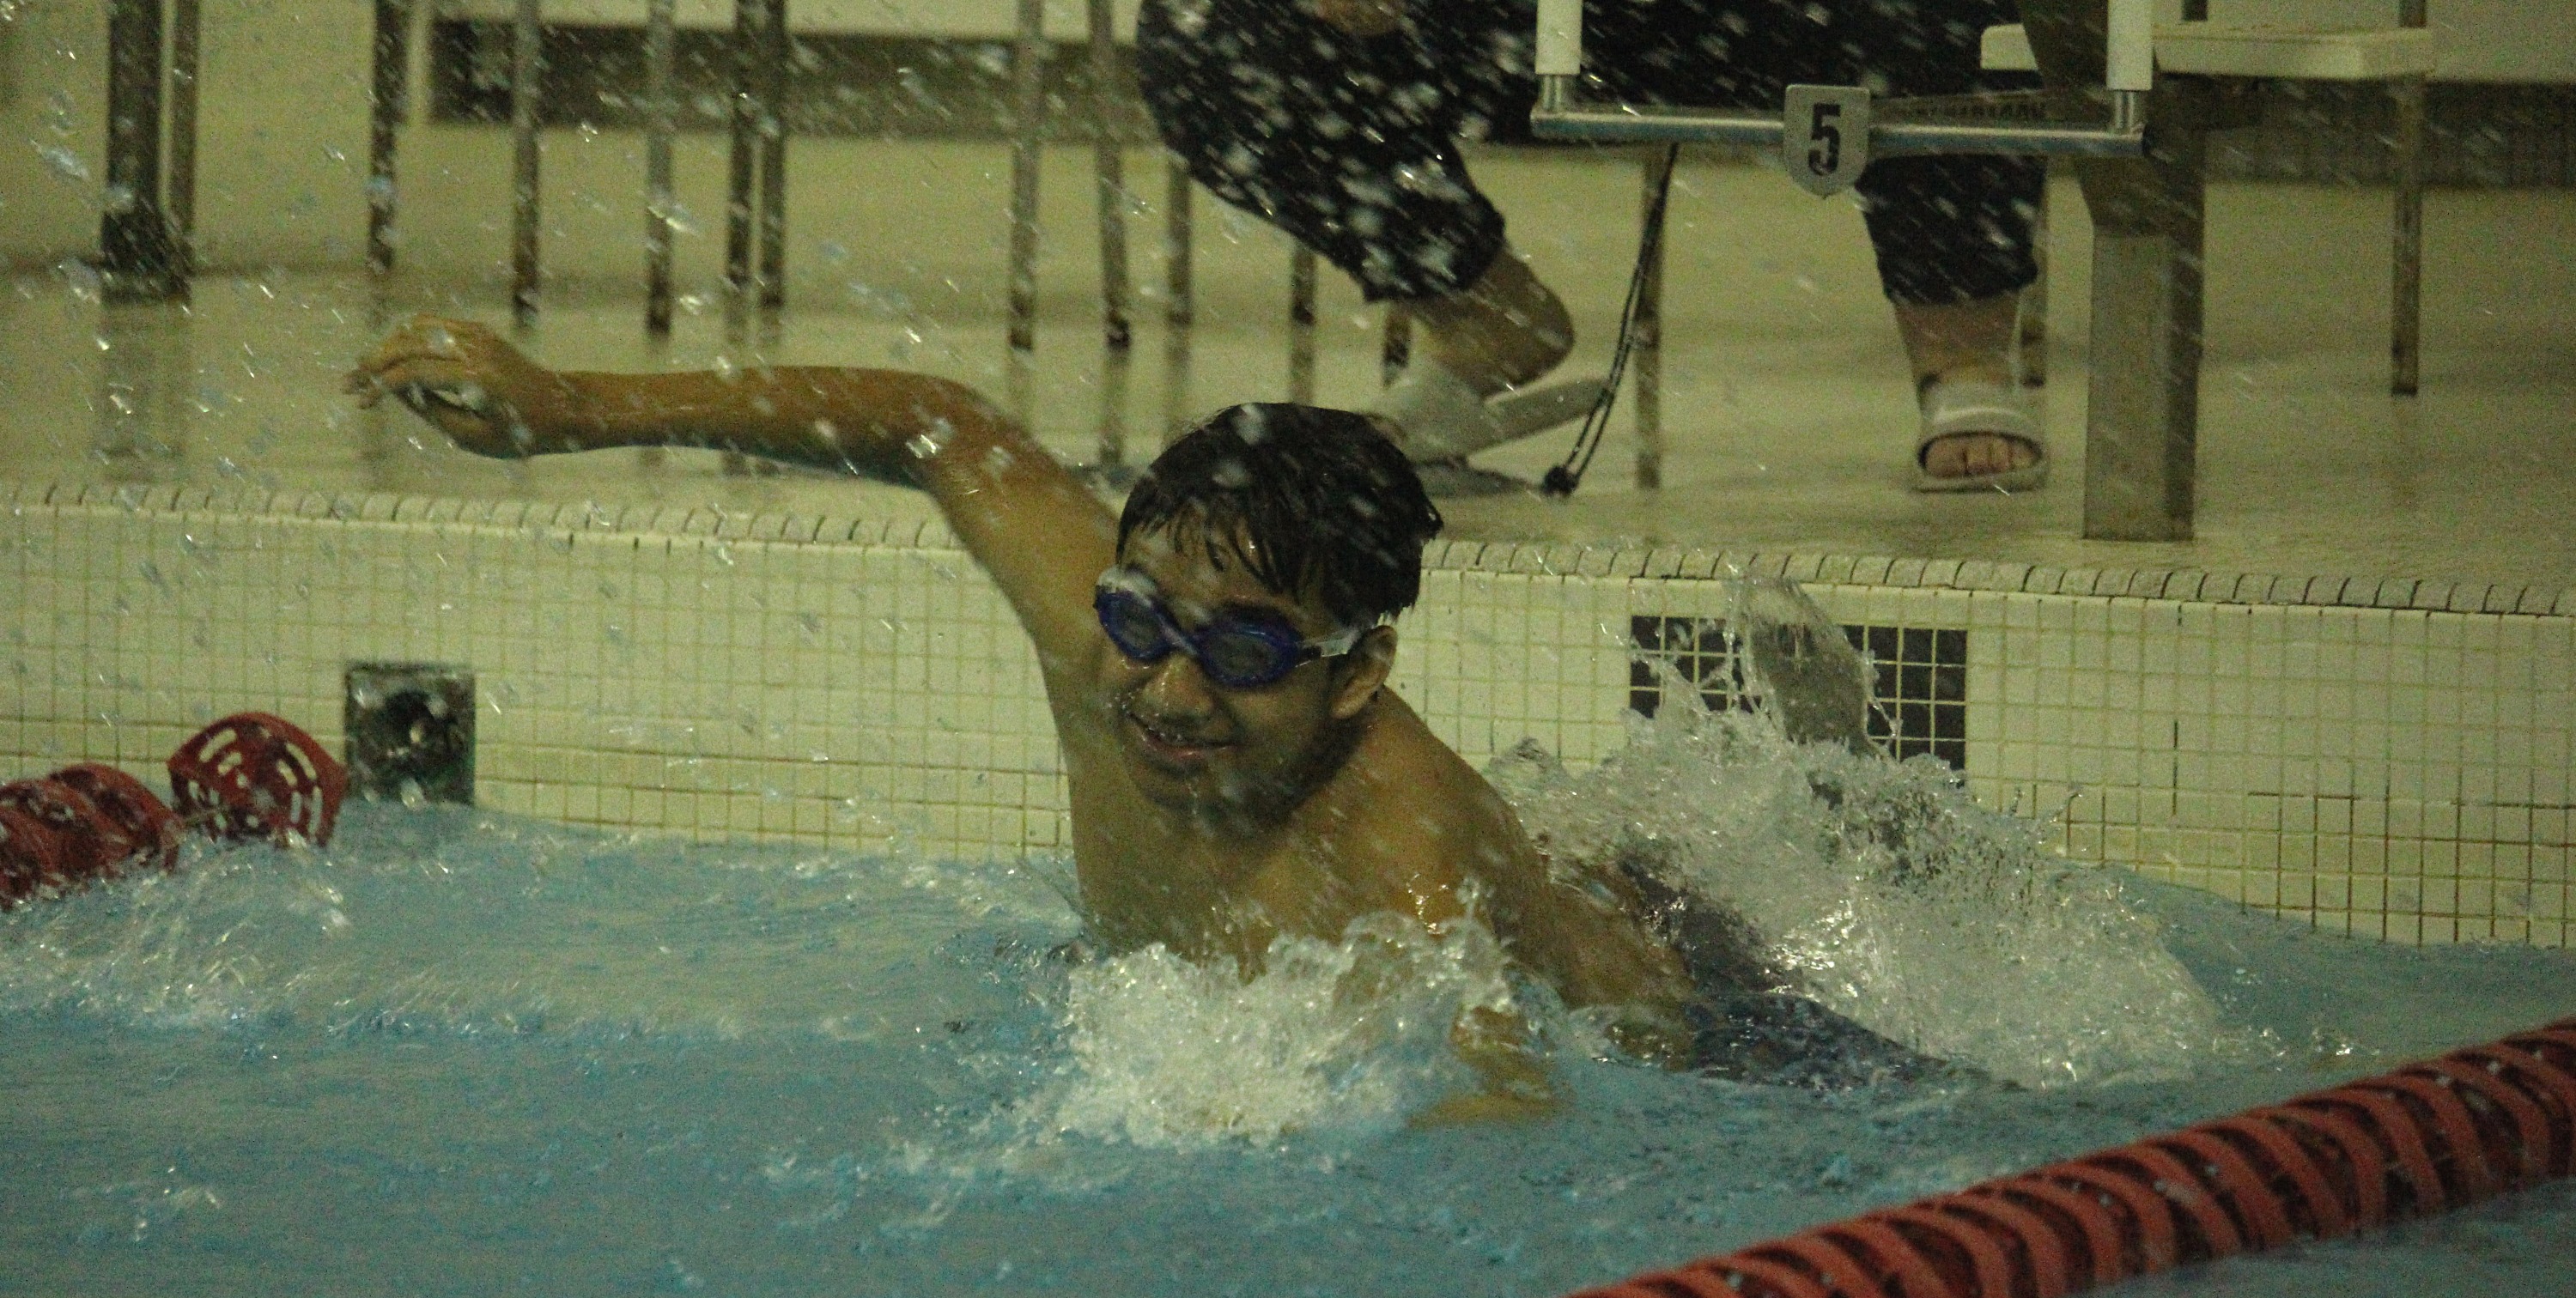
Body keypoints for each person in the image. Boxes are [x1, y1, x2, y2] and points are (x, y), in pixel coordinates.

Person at [348, 318, 1710, 1113]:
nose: (1169, 695)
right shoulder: (1113, 644)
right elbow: (940, 427)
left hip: (1702, 1000)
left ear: (1357, 673)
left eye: (1242, 652)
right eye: (1142, 626)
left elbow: (1508, 1125)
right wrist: (574, 407)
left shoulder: (1407, 860)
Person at [1136, 0, 2048, 491]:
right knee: (1209, 36)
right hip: (1513, 23)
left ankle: (1962, 353)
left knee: (1944, 14)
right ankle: (1480, 322)